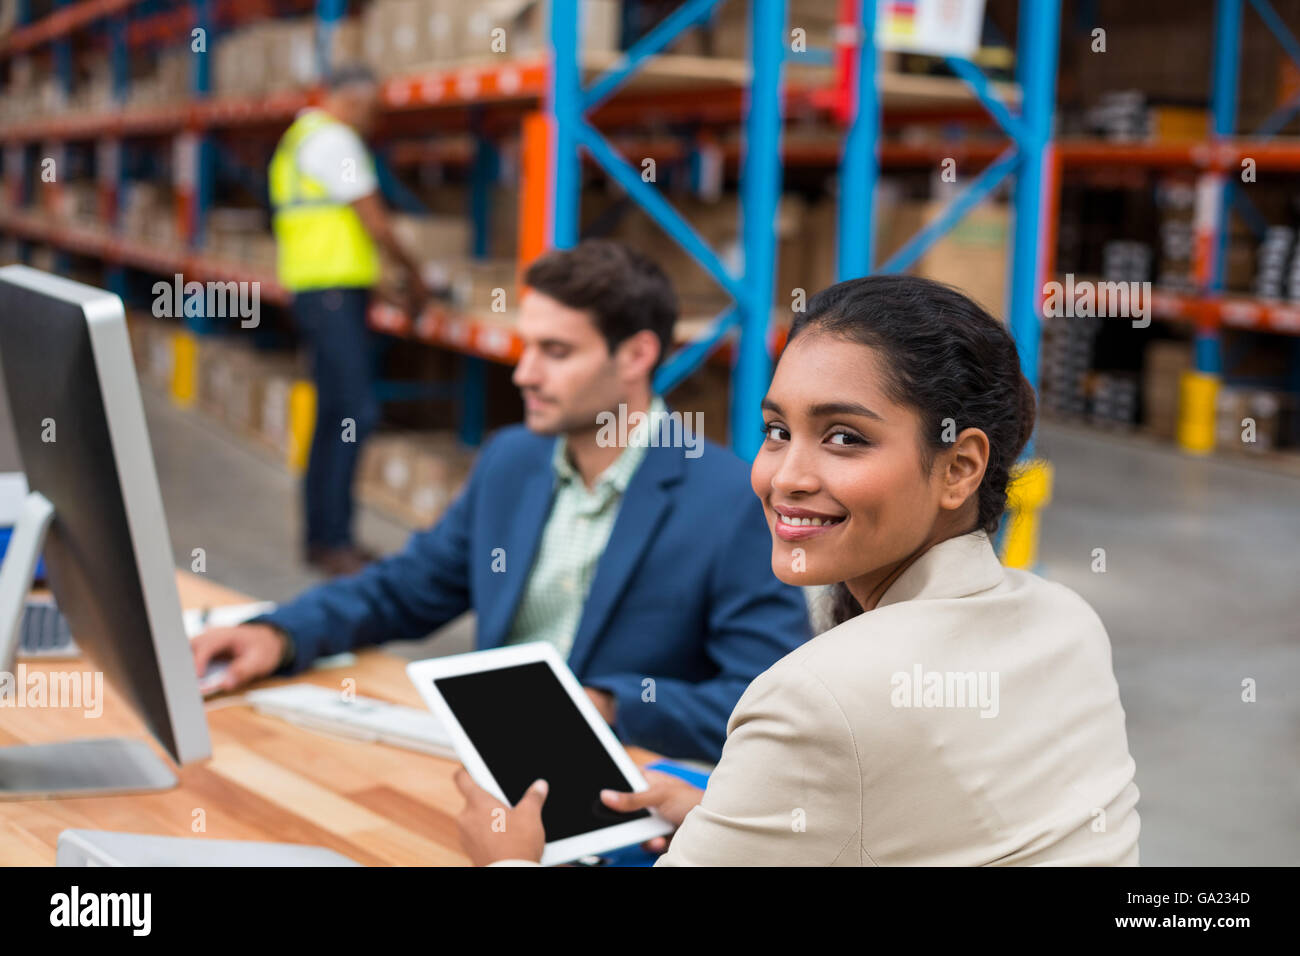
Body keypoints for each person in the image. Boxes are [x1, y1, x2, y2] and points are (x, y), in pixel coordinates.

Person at [455, 274, 1141, 866]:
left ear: (959, 468)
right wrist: (737, 825)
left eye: (845, 437)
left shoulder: (816, 697)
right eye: (778, 431)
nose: (786, 477)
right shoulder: (1069, 622)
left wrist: (511, 859)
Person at [192, 240, 813, 763]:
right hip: (485, 770)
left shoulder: (730, 501)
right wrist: (280, 634)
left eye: (556, 352)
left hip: (619, 791)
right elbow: (404, 589)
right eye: (527, 346)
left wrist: (608, 704)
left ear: (637, 355)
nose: (524, 374)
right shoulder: (512, 461)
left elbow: (760, 702)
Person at [268, 65, 431, 576]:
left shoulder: (299, 139)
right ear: (348, 99)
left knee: (334, 412)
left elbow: (335, 231)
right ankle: (333, 539)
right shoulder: (334, 141)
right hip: (332, 296)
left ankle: (323, 537)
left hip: (322, 291)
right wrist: (414, 274)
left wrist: (378, 283)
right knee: (353, 413)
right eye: (370, 106)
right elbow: (374, 219)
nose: (374, 117)